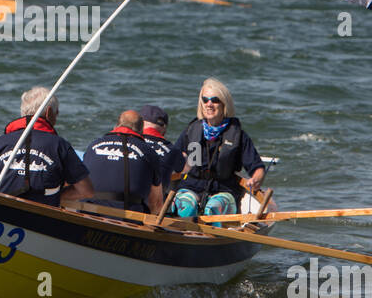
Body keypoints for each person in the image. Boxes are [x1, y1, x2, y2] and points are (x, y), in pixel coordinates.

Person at [0, 87, 94, 207]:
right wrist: (57, 197)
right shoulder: (60, 146)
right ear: (49, 113)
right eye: (57, 113)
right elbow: (86, 191)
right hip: (42, 216)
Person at [168, 79, 267, 218]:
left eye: (215, 100)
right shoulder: (191, 130)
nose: (209, 104)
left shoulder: (238, 135)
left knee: (213, 210)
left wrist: (256, 179)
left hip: (223, 189)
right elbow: (173, 158)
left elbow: (258, 168)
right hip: (192, 186)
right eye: (205, 100)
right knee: (186, 208)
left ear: (224, 104)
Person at [82, 110, 165, 213]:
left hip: (88, 211)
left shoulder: (93, 145)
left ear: (116, 126)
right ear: (141, 131)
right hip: (126, 216)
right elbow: (156, 203)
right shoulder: (149, 152)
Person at [138, 104, 176, 187]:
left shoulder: (127, 141)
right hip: (153, 195)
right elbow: (186, 168)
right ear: (164, 128)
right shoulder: (171, 149)